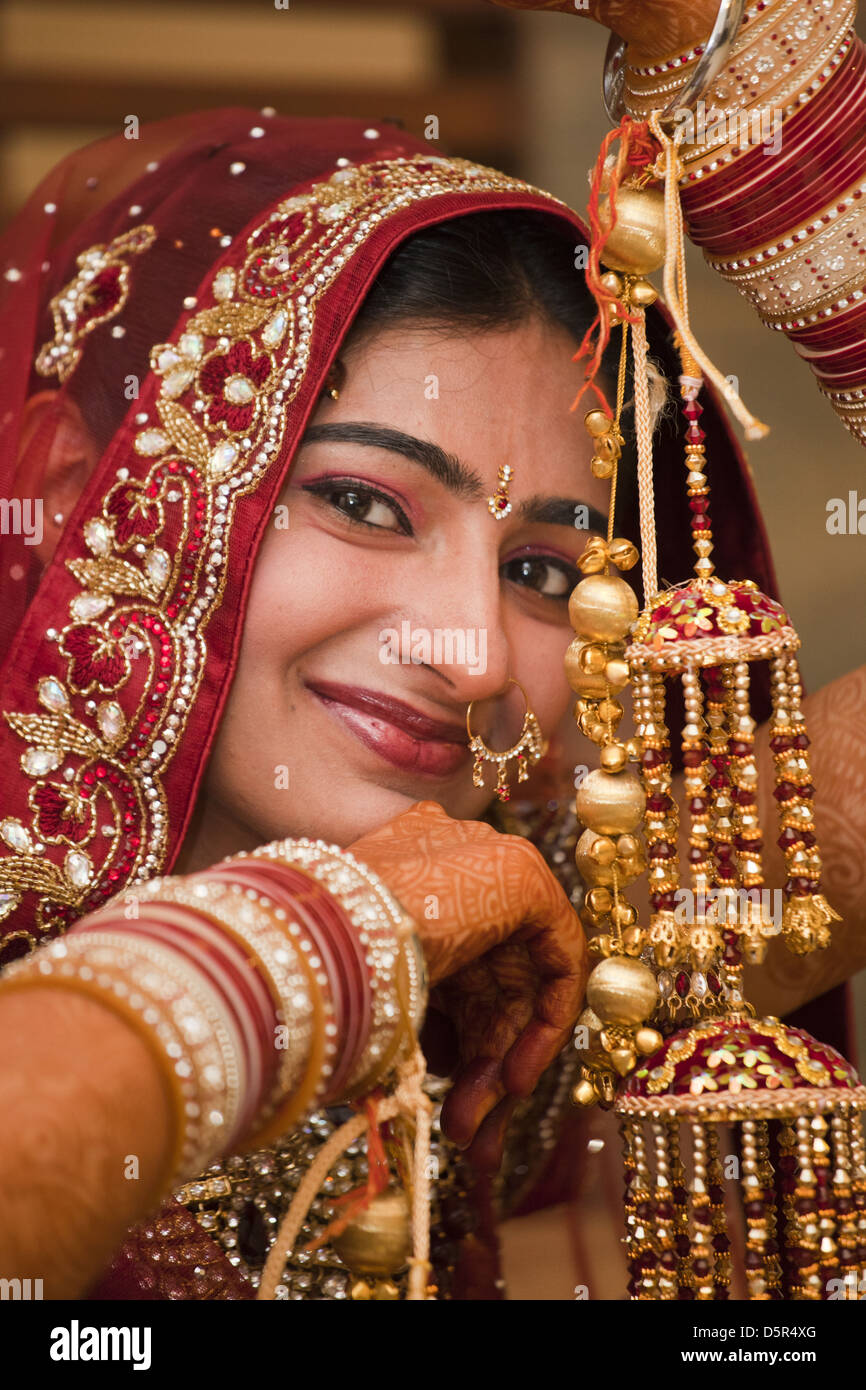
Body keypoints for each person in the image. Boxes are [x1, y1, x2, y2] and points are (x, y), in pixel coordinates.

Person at [1, 2, 865, 1303]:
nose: (467, 654)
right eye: (363, 502)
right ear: (77, 486)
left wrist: (750, 54)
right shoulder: (417, 935)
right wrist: (346, 936)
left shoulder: (498, 965)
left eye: (540, 571)